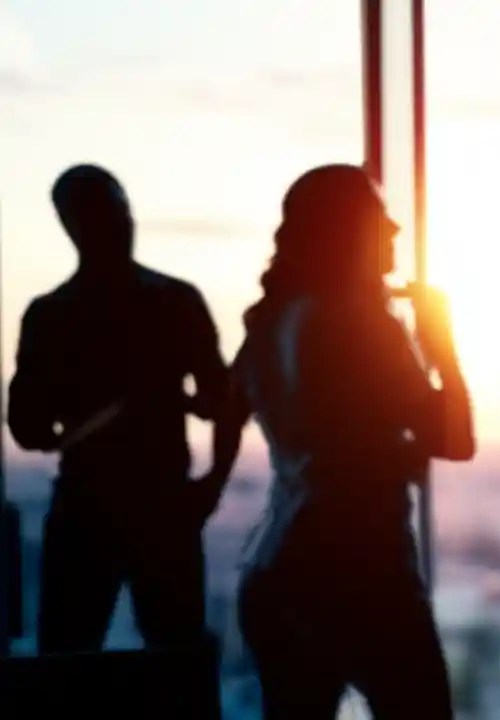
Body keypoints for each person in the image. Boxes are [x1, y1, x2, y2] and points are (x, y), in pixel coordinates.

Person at [211, 164, 475, 718]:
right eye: (379, 216)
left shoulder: (268, 323)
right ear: (347, 231)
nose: (396, 228)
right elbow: (455, 438)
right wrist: (441, 344)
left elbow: (227, 407)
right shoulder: (361, 323)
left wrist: (210, 483)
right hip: (360, 567)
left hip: (275, 568)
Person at [7, 164, 228, 653]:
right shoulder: (176, 300)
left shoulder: (50, 314)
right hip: (161, 503)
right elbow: (223, 401)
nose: (122, 221)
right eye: (114, 210)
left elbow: (28, 428)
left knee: (68, 656)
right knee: (175, 659)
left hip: (88, 505)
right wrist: (210, 484)